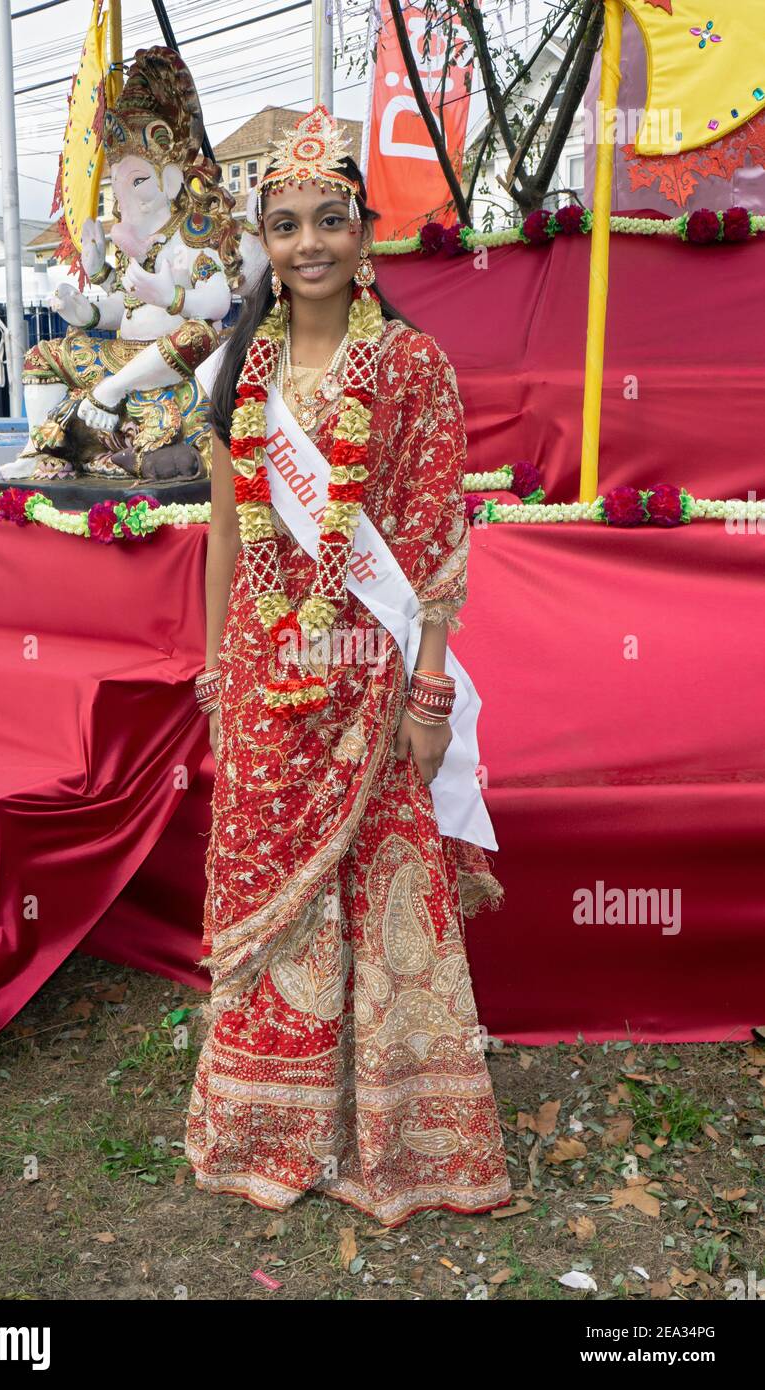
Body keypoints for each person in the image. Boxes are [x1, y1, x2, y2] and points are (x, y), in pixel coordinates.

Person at [184, 106, 513, 1227]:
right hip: (268, 665)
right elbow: (227, 535)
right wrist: (219, 671)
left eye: (330, 219)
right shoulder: (245, 366)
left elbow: (431, 535)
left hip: (371, 672)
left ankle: (401, 1140)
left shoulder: (413, 367)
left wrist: (428, 689)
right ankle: (270, 1124)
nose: (308, 242)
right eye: (285, 225)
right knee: (277, 890)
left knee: (380, 886)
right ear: (262, 242)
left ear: (364, 234)